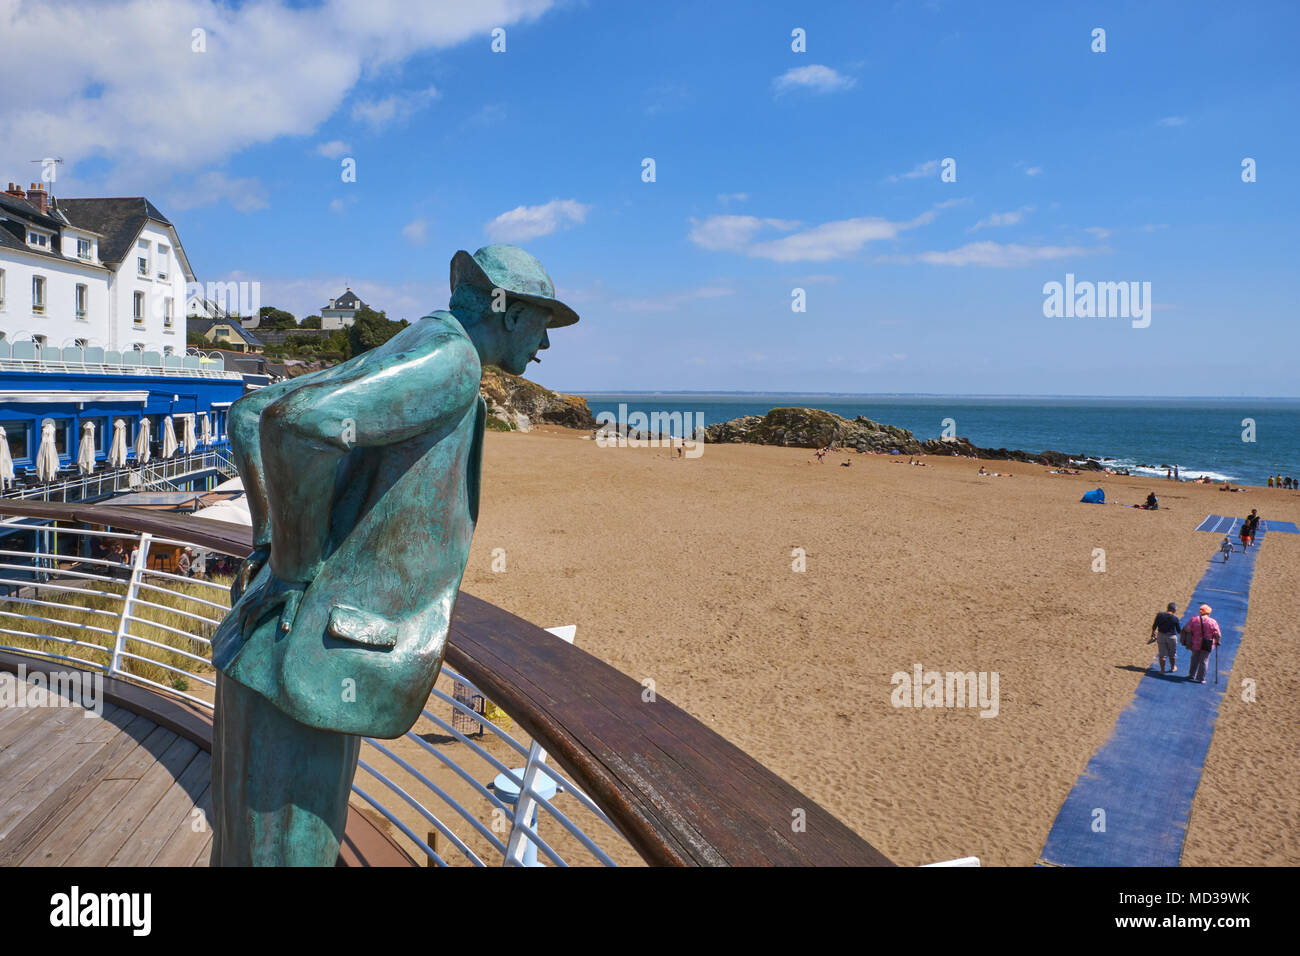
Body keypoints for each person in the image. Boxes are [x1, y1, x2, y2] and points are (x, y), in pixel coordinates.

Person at [208, 243, 578, 866]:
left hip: (273, 652)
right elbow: (295, 424)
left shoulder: (423, 337)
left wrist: (275, 549)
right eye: (544, 321)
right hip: (306, 669)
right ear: (509, 312)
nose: (546, 344)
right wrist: (294, 570)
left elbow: (251, 413)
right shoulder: (452, 360)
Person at [1181, 604, 1221, 684]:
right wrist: (1217, 641)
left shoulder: (1194, 619)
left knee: (1194, 659)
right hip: (1207, 644)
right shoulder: (1213, 622)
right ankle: (1201, 678)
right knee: (1204, 661)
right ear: (1208, 613)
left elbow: (1187, 629)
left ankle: (1192, 674)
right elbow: (1218, 634)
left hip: (1195, 642)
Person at [1149, 602, 1182, 674]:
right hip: (1171, 637)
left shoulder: (1160, 615)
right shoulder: (1175, 618)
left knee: (1162, 654)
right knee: (1172, 654)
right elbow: (1179, 630)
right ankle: (1172, 668)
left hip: (1161, 635)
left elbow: (1154, 625)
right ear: (1174, 610)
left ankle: (1162, 670)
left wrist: (1153, 633)